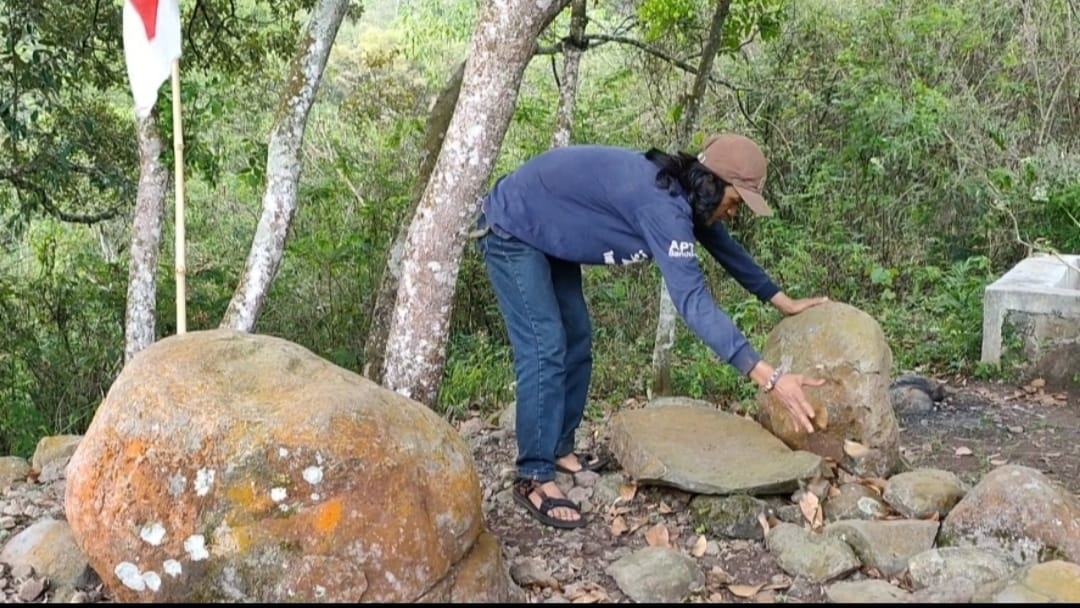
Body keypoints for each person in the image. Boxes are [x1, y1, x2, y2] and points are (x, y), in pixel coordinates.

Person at [473, 133, 830, 529]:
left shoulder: (689, 197)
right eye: (735, 201)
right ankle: (534, 475)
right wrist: (771, 378)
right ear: (711, 183)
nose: (735, 212)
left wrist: (783, 301)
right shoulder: (662, 206)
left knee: (576, 339)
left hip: (550, 227)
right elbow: (693, 302)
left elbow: (727, 249)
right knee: (545, 347)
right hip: (513, 227)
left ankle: (558, 447)